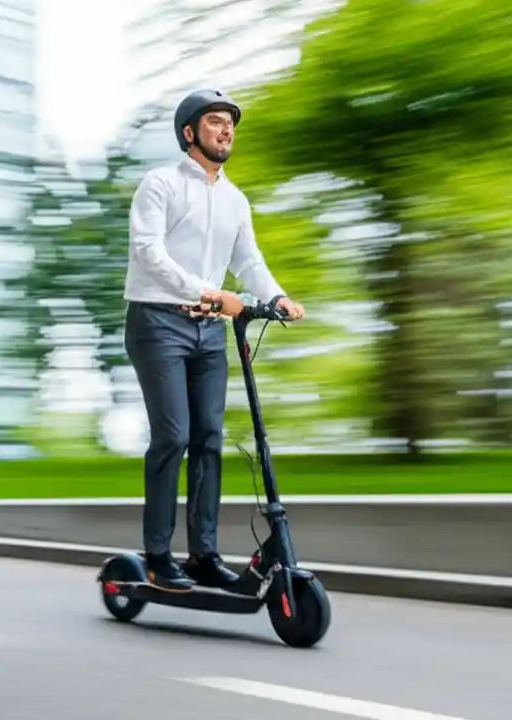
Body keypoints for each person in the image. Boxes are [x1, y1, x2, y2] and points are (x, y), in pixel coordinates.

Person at [122, 89, 305, 591]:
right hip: (158, 322)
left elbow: (248, 261)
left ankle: (203, 555)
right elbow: (147, 252)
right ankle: (158, 557)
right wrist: (209, 292)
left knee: (209, 440)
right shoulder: (159, 185)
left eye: (231, 124)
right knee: (174, 436)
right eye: (216, 122)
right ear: (189, 133)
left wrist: (278, 297)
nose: (226, 131)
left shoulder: (235, 199)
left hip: (208, 330)